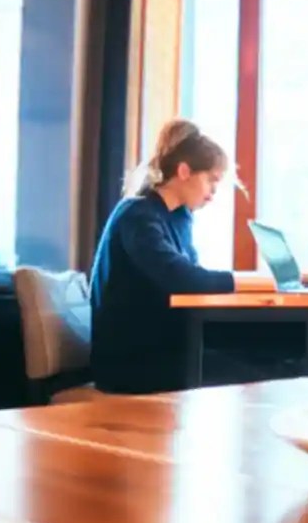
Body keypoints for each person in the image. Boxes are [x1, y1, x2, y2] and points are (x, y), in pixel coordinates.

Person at [89, 119, 238, 394]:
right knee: (266, 367)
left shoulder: (176, 218)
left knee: (262, 355)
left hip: (162, 349)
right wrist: (248, 281)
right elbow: (183, 278)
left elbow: (188, 277)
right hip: (130, 364)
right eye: (211, 180)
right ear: (184, 171)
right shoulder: (138, 215)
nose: (213, 193)